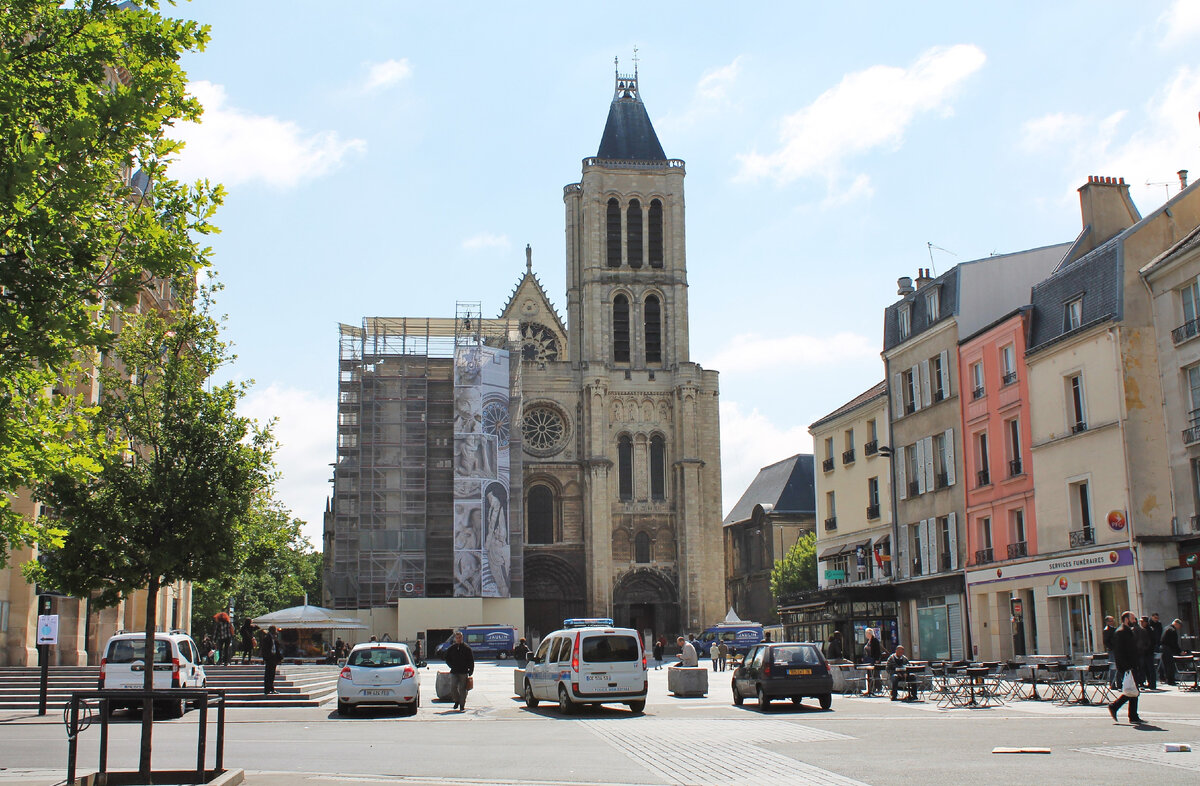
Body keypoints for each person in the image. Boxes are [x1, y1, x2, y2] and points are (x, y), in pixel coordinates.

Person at [1108, 611, 1145, 724]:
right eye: (1133, 618)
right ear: (1126, 619)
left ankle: (1133, 715)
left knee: (1133, 690)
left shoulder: (1128, 631)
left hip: (1132, 664)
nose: (1135, 621)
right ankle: (1115, 706)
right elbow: (1119, 652)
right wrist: (1126, 666)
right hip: (1127, 666)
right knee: (1132, 689)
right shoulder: (1121, 632)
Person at [444, 630, 475, 712]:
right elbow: (446, 658)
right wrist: (451, 665)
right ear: (455, 638)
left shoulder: (467, 648)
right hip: (454, 671)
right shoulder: (452, 648)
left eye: (460, 637)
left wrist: (471, 670)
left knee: (462, 689)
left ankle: (462, 705)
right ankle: (456, 700)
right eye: (457, 638)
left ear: (462, 638)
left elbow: (471, 660)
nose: (458, 639)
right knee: (453, 687)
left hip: (463, 672)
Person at [260, 625, 283, 695]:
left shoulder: (274, 638)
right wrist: (266, 658)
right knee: (268, 674)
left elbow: (277, 648)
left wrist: (279, 658)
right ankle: (267, 689)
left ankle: (271, 688)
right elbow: (265, 649)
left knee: (272, 674)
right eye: (275, 630)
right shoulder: (267, 638)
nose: (276, 632)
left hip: (274, 657)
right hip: (269, 658)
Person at [1161, 619, 1184, 685]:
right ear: (1177, 624)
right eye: (1179, 626)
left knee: (1165, 665)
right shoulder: (1172, 630)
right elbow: (1174, 643)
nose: (1179, 628)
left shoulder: (1166, 628)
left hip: (1163, 648)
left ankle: (1167, 679)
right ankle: (1171, 680)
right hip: (1168, 649)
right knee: (1170, 665)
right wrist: (1179, 651)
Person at [862, 628, 884, 694]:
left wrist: (877, 659)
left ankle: (879, 687)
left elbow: (877, 651)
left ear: (869, 633)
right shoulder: (868, 641)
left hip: (874, 660)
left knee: (875, 674)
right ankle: (870, 689)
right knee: (869, 675)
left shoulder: (875, 641)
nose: (865, 635)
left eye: (866, 633)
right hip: (868, 660)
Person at [1136, 616, 1156, 690]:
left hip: (1149, 652)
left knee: (1150, 668)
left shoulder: (1150, 630)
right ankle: (1149, 682)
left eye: (1142, 622)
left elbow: (1151, 642)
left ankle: (1152, 684)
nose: (1141, 623)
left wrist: (1146, 648)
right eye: (1140, 622)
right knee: (1145, 669)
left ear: (1146, 622)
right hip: (1143, 652)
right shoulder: (1141, 630)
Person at [1102, 615, 1117, 687]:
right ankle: (1112, 683)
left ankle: (1118, 682)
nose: (1113, 622)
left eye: (1113, 620)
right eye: (1111, 621)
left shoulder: (1114, 629)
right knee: (1113, 666)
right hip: (1112, 650)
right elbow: (1106, 641)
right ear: (1107, 622)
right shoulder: (1107, 630)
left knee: (1117, 666)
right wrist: (1112, 647)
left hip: (1117, 649)